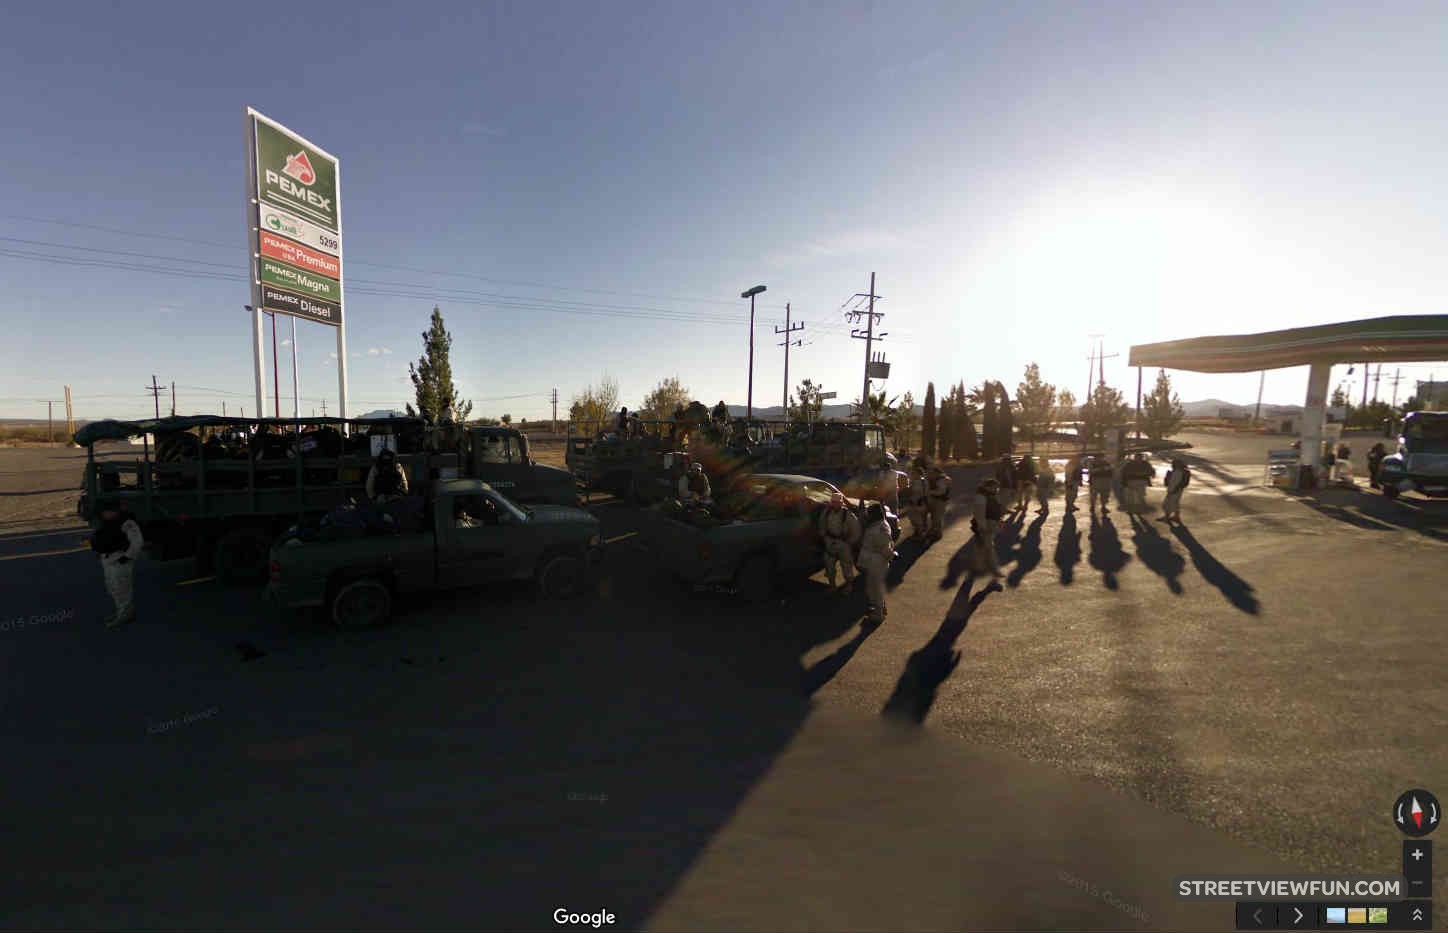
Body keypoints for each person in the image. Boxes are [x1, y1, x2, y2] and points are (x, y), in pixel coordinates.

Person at [92, 499, 144, 628]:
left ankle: (125, 613)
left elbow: (137, 542)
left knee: (121, 588)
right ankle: (122, 611)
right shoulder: (108, 522)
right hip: (108, 558)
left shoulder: (127, 522)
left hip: (119, 559)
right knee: (112, 587)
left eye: (106, 512)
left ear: (114, 511)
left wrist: (128, 557)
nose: (103, 515)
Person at [857, 503, 895, 622]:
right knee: (872, 587)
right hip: (873, 562)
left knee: (875, 589)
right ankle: (880, 608)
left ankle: (878, 616)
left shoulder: (881, 529)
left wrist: (890, 557)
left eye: (870, 513)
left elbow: (885, 549)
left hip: (877, 563)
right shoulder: (876, 524)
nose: (868, 515)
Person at [817, 492, 862, 594]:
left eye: (837, 502)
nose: (835, 504)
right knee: (829, 566)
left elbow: (856, 530)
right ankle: (832, 585)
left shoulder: (848, 515)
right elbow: (821, 525)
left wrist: (850, 542)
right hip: (830, 543)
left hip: (844, 544)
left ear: (841, 503)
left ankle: (849, 586)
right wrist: (824, 537)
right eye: (833, 502)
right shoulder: (827, 513)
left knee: (846, 566)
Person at [970, 477, 1005, 580]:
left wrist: (999, 520)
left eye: (997, 488)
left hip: (990, 523)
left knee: (981, 546)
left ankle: (977, 566)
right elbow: (979, 514)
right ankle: (994, 570)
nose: (996, 489)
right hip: (985, 524)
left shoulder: (990, 495)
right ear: (987, 487)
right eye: (994, 487)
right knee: (989, 547)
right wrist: (982, 527)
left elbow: (995, 509)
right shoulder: (981, 497)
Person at [1159, 457, 1191, 524]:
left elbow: (1180, 482)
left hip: (1176, 489)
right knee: (1174, 503)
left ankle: (1167, 517)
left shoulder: (1182, 472)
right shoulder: (1173, 471)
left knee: (1168, 503)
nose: (1173, 465)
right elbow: (1169, 481)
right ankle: (1176, 516)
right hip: (1173, 489)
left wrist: (1174, 489)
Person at [925, 464, 952, 542]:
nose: (930, 474)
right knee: (934, 517)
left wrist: (930, 492)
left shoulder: (942, 480)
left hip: (940, 501)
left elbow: (941, 492)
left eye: (932, 473)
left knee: (937, 518)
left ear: (936, 473)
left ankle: (937, 533)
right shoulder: (936, 479)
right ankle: (933, 531)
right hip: (935, 500)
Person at [906, 461, 930, 540]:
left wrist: (920, 500)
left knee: (919, 520)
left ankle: (920, 535)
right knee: (912, 518)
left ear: (919, 473)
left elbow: (926, 493)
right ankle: (916, 533)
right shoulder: (912, 481)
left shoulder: (923, 482)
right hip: (912, 502)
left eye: (914, 473)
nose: (912, 474)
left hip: (920, 502)